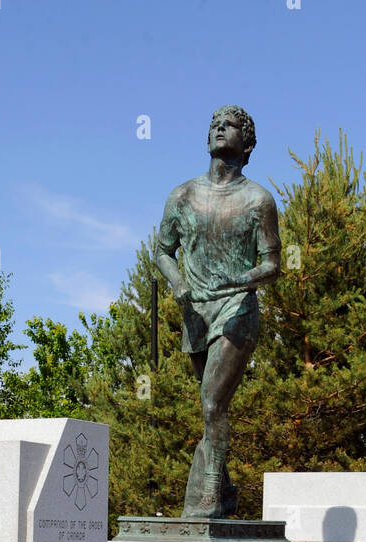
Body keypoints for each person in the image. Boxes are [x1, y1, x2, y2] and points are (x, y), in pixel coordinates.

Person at [156, 106, 281, 519]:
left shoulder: (259, 200)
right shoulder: (182, 196)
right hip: (195, 312)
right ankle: (224, 490)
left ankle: (209, 495)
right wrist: (177, 282)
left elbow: (272, 265)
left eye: (228, 126)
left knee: (212, 404)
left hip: (236, 309)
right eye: (213, 124)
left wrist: (237, 281)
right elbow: (162, 252)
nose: (218, 129)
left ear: (246, 144)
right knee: (213, 408)